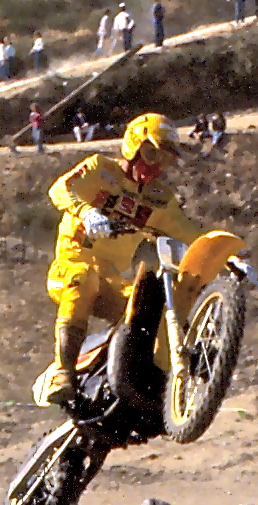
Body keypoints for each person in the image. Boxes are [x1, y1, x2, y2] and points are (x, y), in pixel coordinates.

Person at [38, 113, 207, 406]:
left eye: (164, 160)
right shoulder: (99, 169)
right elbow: (60, 188)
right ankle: (63, 373)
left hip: (112, 277)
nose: (156, 166)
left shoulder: (159, 198)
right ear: (134, 144)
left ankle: (161, 385)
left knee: (152, 307)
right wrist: (86, 211)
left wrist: (230, 256)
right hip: (70, 263)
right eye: (152, 153)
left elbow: (191, 233)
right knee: (83, 278)